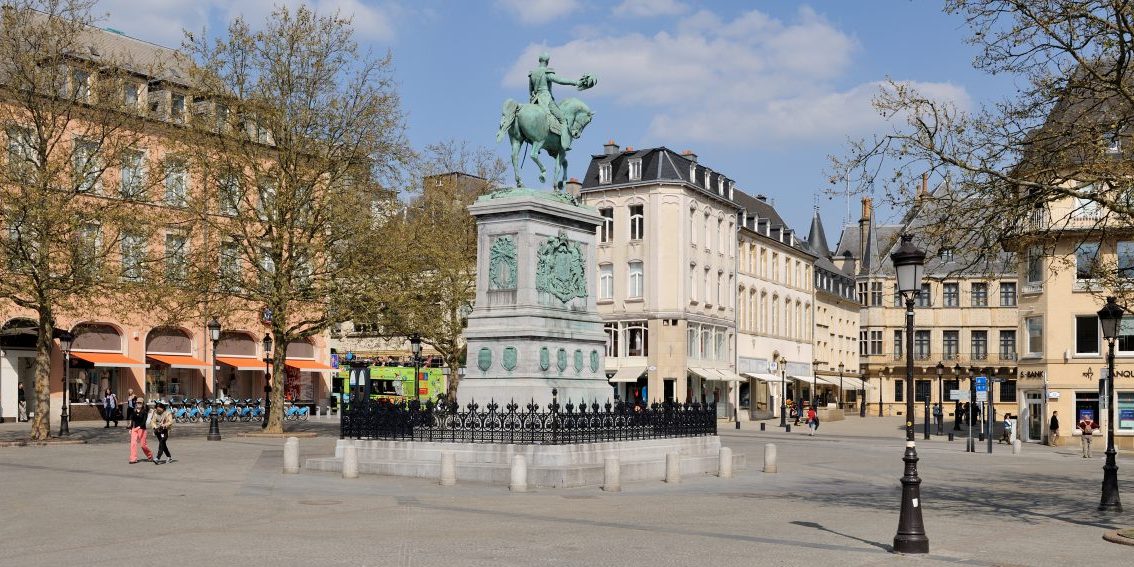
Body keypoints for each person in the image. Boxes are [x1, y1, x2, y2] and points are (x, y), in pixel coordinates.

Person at [128, 399, 154, 464]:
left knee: (143, 445)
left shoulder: (144, 412)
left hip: (142, 429)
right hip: (134, 429)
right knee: (133, 444)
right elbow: (132, 421)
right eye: (138, 403)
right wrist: (131, 429)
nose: (139, 404)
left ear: (142, 404)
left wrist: (139, 427)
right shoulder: (133, 412)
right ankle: (133, 459)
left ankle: (150, 456)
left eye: (140, 403)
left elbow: (144, 421)